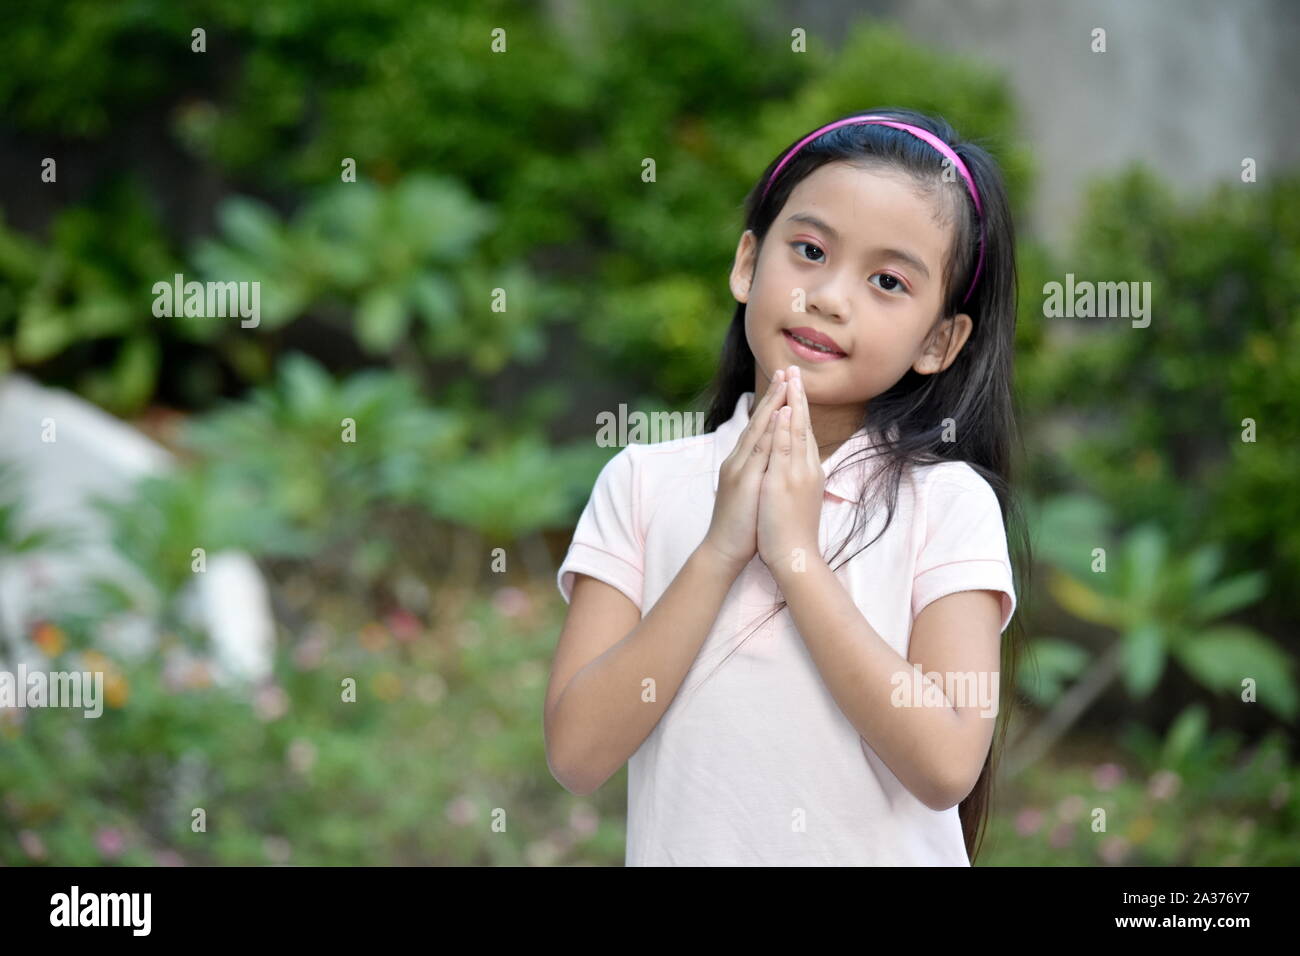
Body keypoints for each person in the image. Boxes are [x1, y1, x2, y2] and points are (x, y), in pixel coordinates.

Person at [545, 108, 1031, 865]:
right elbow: (577, 753)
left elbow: (945, 765)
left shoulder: (949, 506)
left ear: (940, 340)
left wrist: (797, 557)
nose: (830, 297)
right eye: (809, 250)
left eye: (887, 281)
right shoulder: (643, 483)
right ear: (747, 264)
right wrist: (718, 551)